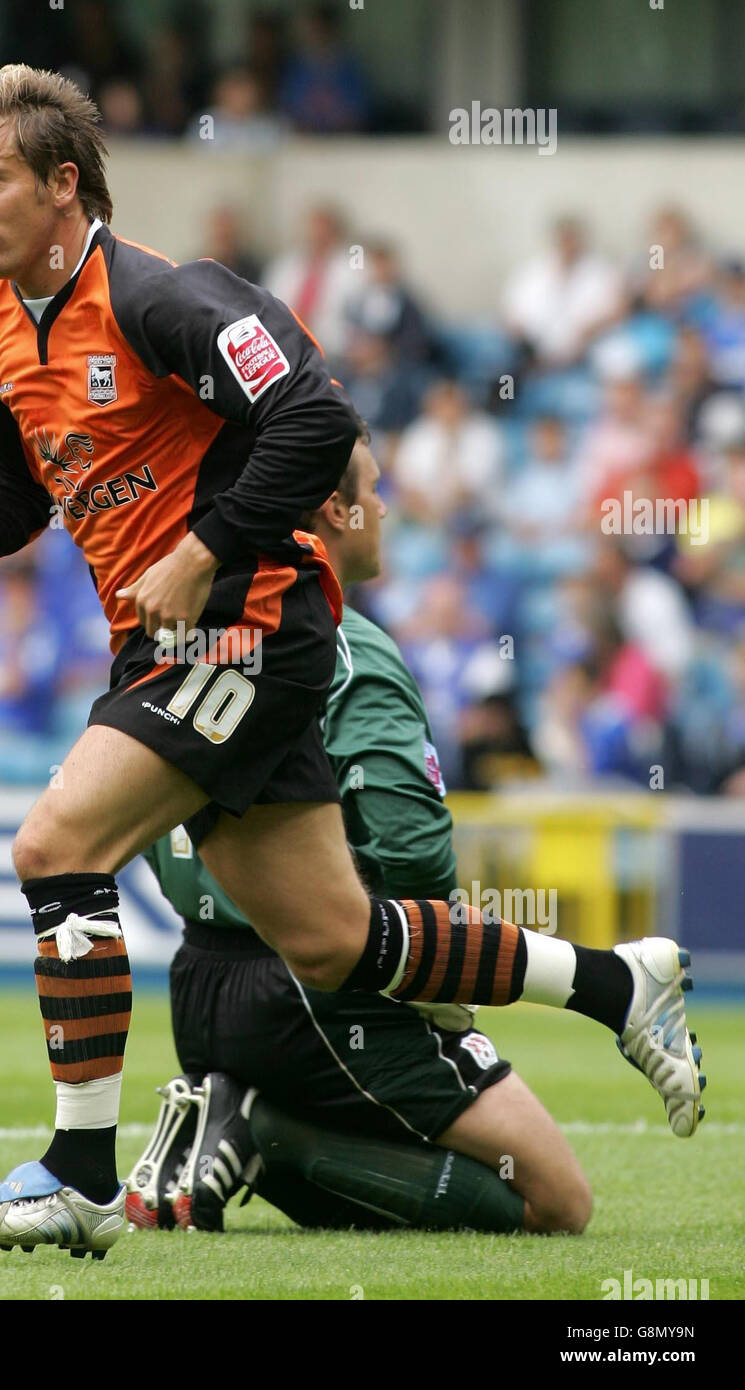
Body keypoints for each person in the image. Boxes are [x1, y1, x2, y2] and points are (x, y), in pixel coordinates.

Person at [0, 66, 702, 1262]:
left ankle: (75, 1175)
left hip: (246, 627)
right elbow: (24, 486)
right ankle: (613, 983)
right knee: (330, 939)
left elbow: (317, 416)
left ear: (64, 185)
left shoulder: (166, 296)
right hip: (162, 637)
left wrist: (205, 547)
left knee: (53, 848)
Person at [129, 432, 705, 1236]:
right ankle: (259, 1127)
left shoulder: (182, 632)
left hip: (199, 990)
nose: (387, 507)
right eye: (373, 487)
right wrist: (430, 986)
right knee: (554, 1204)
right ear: (333, 509)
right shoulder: (343, 650)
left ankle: (242, 1118)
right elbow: (412, 855)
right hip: (322, 989)